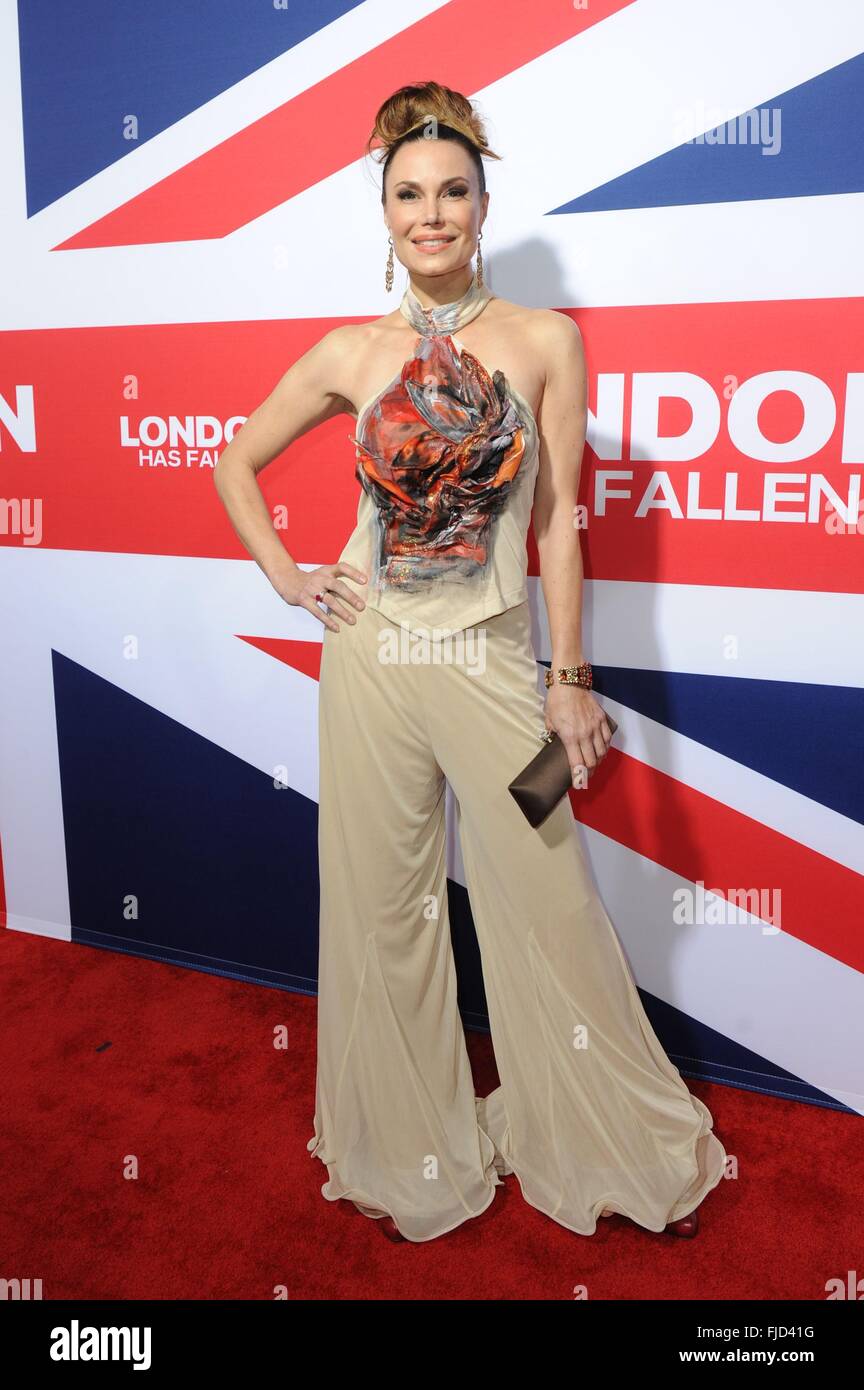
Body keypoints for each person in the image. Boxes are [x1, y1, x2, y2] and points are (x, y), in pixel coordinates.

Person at [213, 81, 727, 1245]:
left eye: (452, 191)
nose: (431, 215)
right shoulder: (353, 349)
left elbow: (556, 525)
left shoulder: (547, 340)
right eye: (409, 195)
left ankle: (617, 1144)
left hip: (496, 665)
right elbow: (234, 464)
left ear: (484, 203)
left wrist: (570, 676)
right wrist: (291, 578)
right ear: (383, 213)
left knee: (548, 902)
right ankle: (412, 1152)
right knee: (383, 911)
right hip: (371, 665)